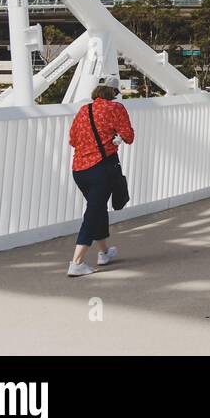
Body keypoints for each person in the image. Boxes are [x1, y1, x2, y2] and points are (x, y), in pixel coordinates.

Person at [67, 82, 134, 277]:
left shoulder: (83, 110)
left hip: (79, 170)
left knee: (97, 208)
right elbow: (129, 136)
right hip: (102, 168)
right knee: (93, 212)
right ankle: (76, 262)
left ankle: (104, 253)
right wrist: (117, 136)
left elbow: (72, 139)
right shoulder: (115, 108)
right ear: (113, 92)